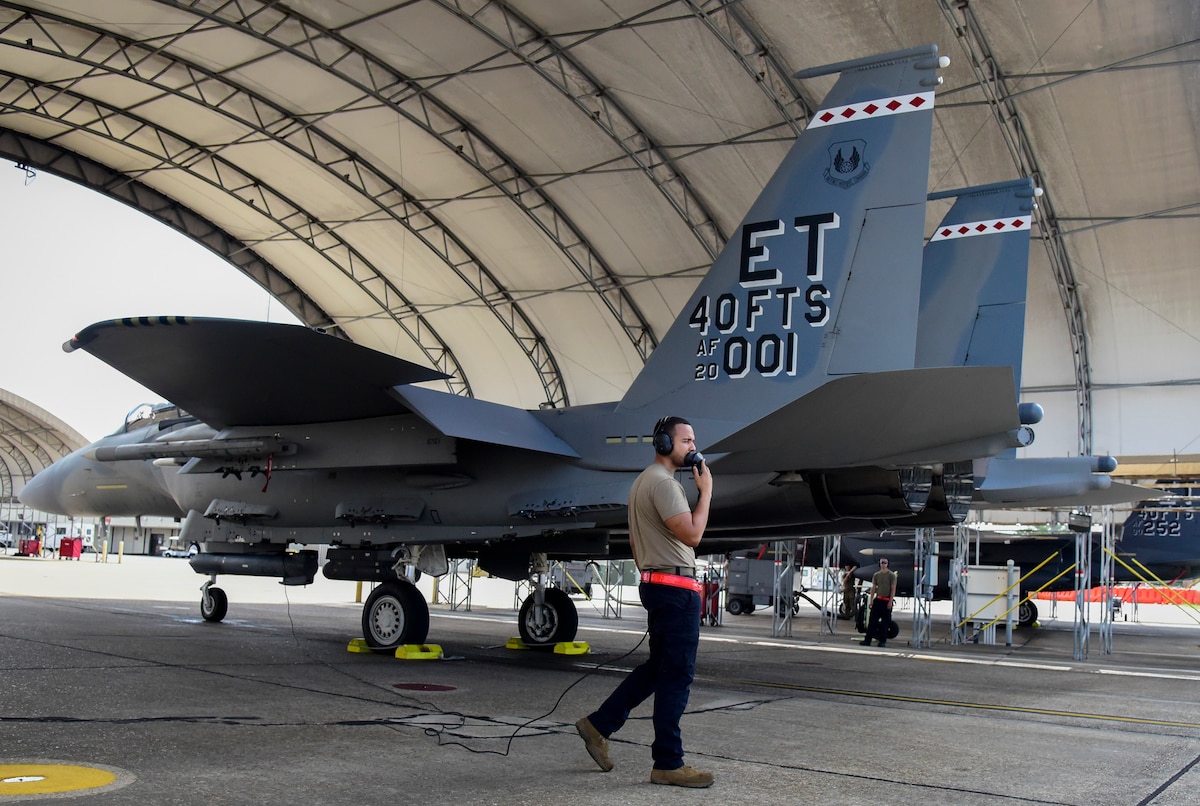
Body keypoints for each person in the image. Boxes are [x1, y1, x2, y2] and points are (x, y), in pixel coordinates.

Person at [576, 416, 715, 788]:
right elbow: (693, 535)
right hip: (676, 590)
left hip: (658, 585)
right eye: (686, 440)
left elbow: (637, 546)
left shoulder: (641, 483)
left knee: (658, 669)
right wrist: (706, 493)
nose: (693, 447)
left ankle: (599, 724)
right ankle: (668, 762)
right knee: (677, 675)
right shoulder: (665, 485)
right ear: (665, 444)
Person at [861, 558, 897, 647]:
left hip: (886, 600)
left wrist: (890, 601)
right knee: (872, 622)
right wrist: (871, 600)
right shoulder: (876, 575)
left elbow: (893, 589)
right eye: (882, 563)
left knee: (885, 623)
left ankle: (882, 641)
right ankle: (867, 640)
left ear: (888, 564)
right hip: (878, 600)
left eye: (885, 563)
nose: (883, 564)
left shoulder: (892, 575)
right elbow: (874, 587)